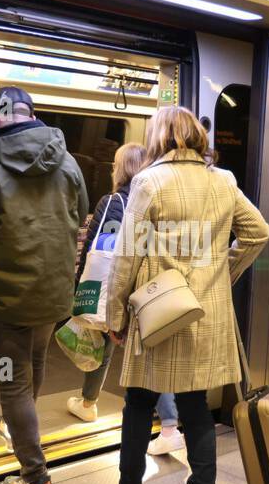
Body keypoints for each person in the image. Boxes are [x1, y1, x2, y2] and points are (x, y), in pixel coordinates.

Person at [103, 106, 268, 484]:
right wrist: (221, 274)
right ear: (196, 136)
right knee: (196, 407)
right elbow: (258, 232)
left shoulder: (149, 181)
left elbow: (126, 257)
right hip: (204, 313)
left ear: (159, 138)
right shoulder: (223, 181)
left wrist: (114, 315)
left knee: (138, 403)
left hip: (157, 311)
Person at [0, 86, 89, 484]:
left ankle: (36, 477)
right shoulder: (67, 162)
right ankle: (21, 431)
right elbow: (80, 218)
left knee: (13, 384)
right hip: (52, 295)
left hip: (6, 297)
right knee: (34, 365)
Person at [66, 142, 183, 454]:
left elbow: (96, 246)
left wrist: (80, 287)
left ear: (120, 168)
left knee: (101, 338)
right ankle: (170, 425)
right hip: (147, 287)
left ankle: (89, 403)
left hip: (116, 285)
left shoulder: (112, 200)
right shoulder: (157, 196)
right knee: (148, 351)